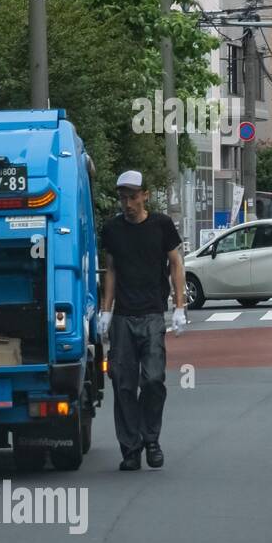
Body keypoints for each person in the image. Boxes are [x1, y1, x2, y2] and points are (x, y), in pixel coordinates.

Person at [97, 170, 187, 471]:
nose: (128, 204)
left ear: (145, 195)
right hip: (123, 315)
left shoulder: (161, 225)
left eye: (133, 197)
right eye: (123, 198)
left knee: (152, 380)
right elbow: (111, 270)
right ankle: (131, 449)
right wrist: (106, 310)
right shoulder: (112, 230)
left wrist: (179, 306)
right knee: (123, 384)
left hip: (152, 314)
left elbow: (176, 263)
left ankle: (151, 439)